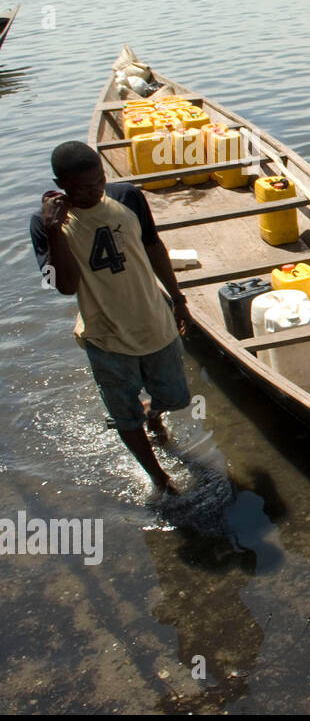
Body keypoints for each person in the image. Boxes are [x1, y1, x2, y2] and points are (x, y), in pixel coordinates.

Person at [30, 142, 193, 496]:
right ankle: (159, 478)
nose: (95, 191)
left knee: (176, 396)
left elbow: (153, 246)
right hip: (106, 336)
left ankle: (153, 413)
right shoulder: (47, 224)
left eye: (99, 181)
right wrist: (54, 230)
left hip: (154, 321)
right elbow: (65, 285)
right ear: (62, 184)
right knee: (124, 416)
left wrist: (178, 300)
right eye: (84, 188)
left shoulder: (127, 197)